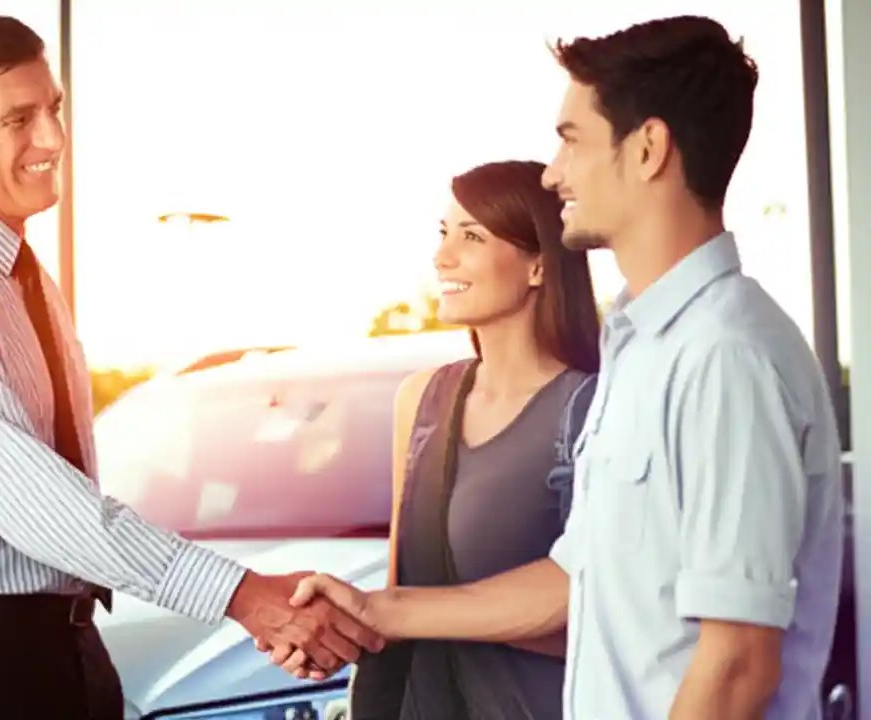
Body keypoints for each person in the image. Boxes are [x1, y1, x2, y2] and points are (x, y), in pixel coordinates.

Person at [278, 15, 844, 720]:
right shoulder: (644, 350)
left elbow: (734, 667)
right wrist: (377, 608)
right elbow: (576, 580)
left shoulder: (726, 355)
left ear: (647, 150)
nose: (553, 173)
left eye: (572, 141)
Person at [0, 14, 380, 719]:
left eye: (54, 109)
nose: (54, 139)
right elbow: (31, 496)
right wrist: (243, 596)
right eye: (19, 119)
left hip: (59, 645)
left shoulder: (16, 274)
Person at [346, 159, 601, 720]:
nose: (443, 257)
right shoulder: (421, 399)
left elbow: (613, 622)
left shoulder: (593, 409)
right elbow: (398, 591)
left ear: (539, 265)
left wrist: (432, 615)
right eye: (444, 234)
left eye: (472, 236)